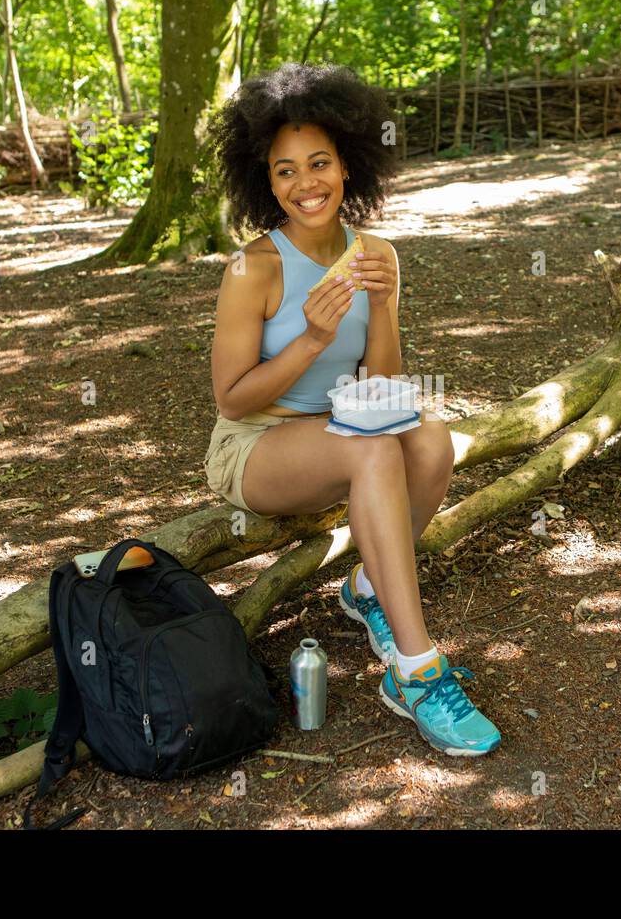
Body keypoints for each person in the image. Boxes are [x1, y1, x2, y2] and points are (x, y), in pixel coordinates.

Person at [202, 63, 499, 756]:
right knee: (373, 449)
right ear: (263, 182)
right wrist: (310, 339)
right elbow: (232, 397)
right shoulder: (254, 269)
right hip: (258, 443)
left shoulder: (376, 254)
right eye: (284, 172)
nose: (305, 184)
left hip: (343, 425)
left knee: (430, 440)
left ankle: (368, 585)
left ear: (347, 166)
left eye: (319, 164)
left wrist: (386, 303)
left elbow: (380, 386)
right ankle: (417, 673)